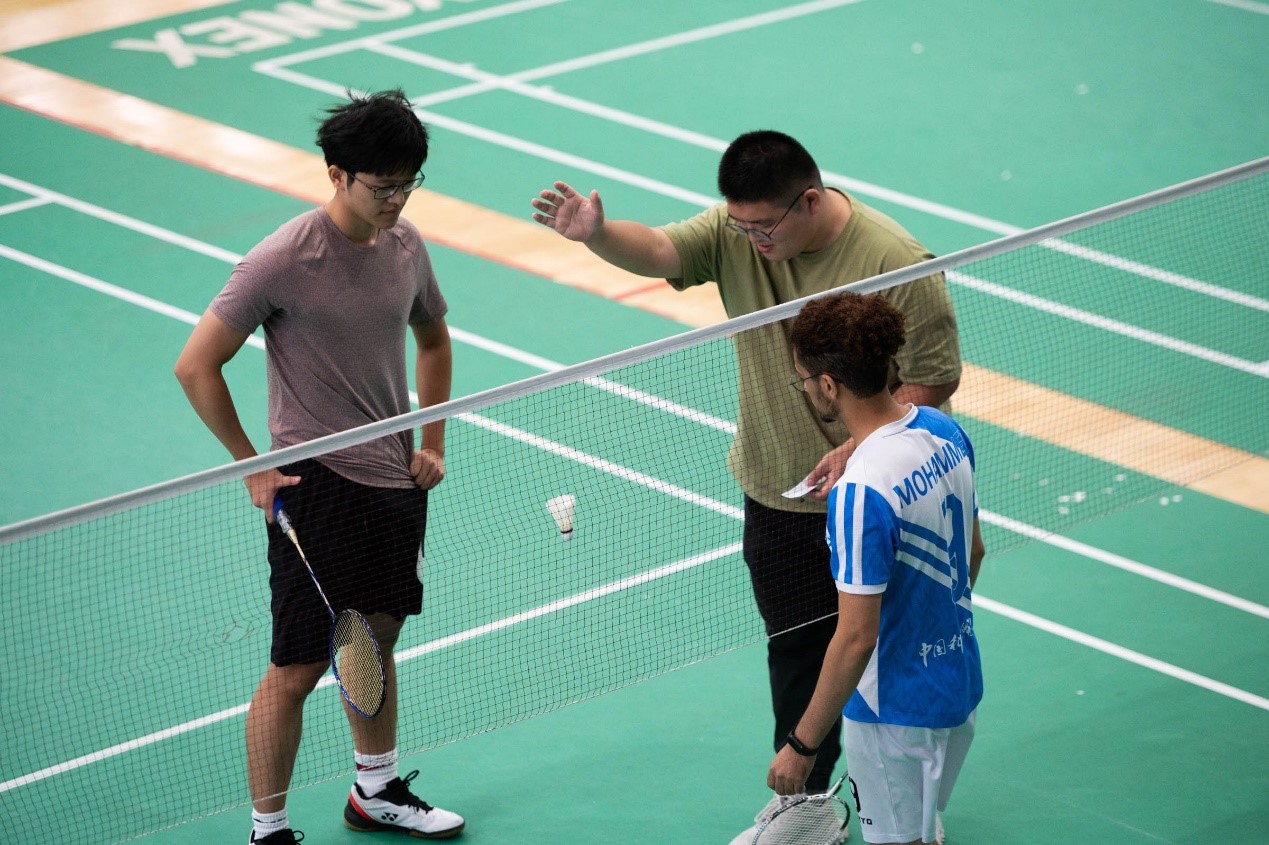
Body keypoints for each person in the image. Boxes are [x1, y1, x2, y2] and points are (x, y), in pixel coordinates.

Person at [530, 130, 961, 840]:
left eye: (763, 226)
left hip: (880, 494)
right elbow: (665, 249)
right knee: (796, 646)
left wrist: (858, 449)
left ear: (810, 201)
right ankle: (807, 805)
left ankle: (899, 797)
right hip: (777, 487)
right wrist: (598, 235)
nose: (749, 239)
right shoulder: (738, 233)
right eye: (739, 225)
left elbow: (934, 376)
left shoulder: (895, 261)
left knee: (881, 645)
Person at [174, 89, 464, 844]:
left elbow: (433, 342)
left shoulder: (406, 246)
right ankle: (267, 828)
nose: (397, 199)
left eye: (409, 183)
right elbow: (196, 365)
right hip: (317, 486)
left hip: (394, 478)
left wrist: (429, 441)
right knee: (298, 665)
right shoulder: (283, 257)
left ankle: (376, 790)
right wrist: (251, 465)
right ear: (336, 174)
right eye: (383, 186)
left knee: (373, 638)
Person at [767, 290, 984, 845]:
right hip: (957, 683)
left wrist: (802, 744)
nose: (807, 388)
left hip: (892, 712)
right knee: (921, 831)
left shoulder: (860, 493)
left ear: (830, 385)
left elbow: (856, 637)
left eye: (805, 379)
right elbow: (974, 552)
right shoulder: (944, 431)